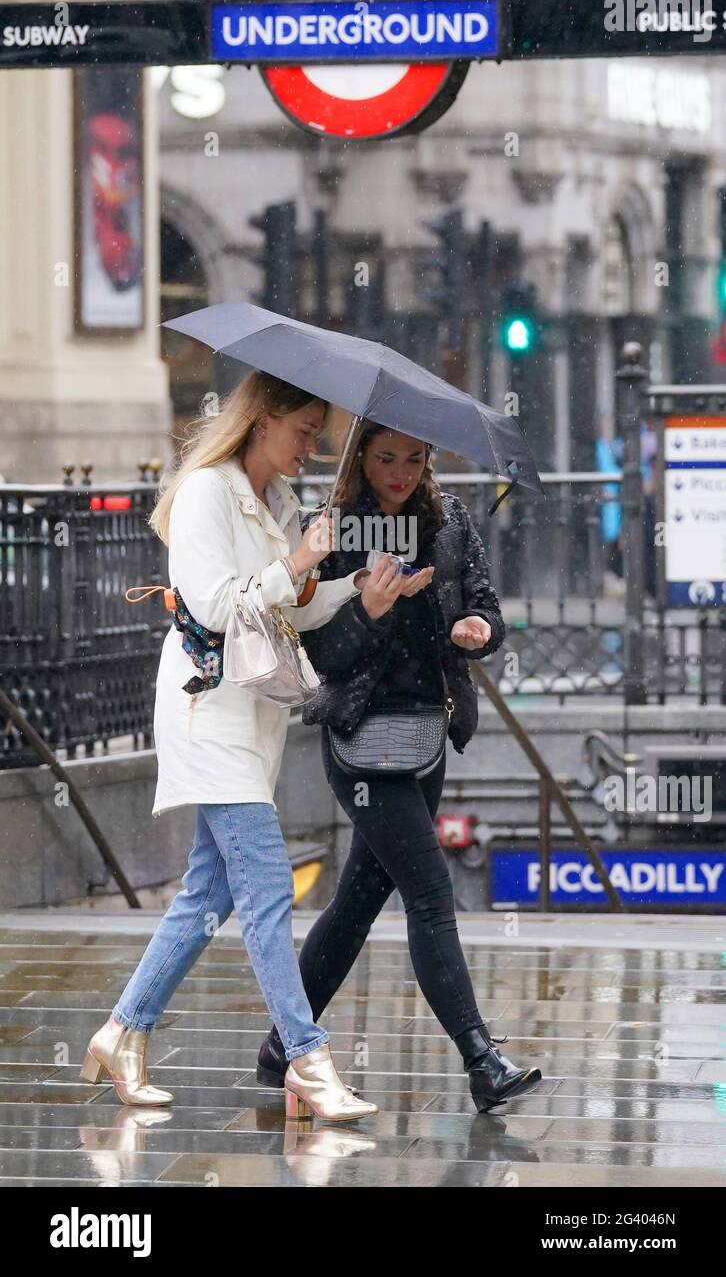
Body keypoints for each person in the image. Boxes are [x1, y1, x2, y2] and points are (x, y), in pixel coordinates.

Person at [80, 372, 378, 1124]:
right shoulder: (208, 491)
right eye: (305, 430)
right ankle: (308, 1058)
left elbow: (290, 616)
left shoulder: (276, 501)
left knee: (207, 895)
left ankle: (122, 1031)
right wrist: (297, 562)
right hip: (205, 711)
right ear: (262, 419)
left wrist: (356, 590)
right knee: (268, 888)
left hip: (250, 718)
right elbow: (215, 605)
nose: (314, 446)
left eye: (318, 433)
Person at [257, 422, 543, 1112]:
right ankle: (481, 1059)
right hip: (359, 738)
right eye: (386, 459)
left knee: (357, 900)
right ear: (361, 457)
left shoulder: (449, 524)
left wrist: (475, 630)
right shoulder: (333, 531)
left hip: (428, 732)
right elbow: (322, 656)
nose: (401, 472)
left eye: (415, 459)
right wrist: (372, 611)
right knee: (429, 892)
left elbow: (487, 609)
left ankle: (278, 1050)